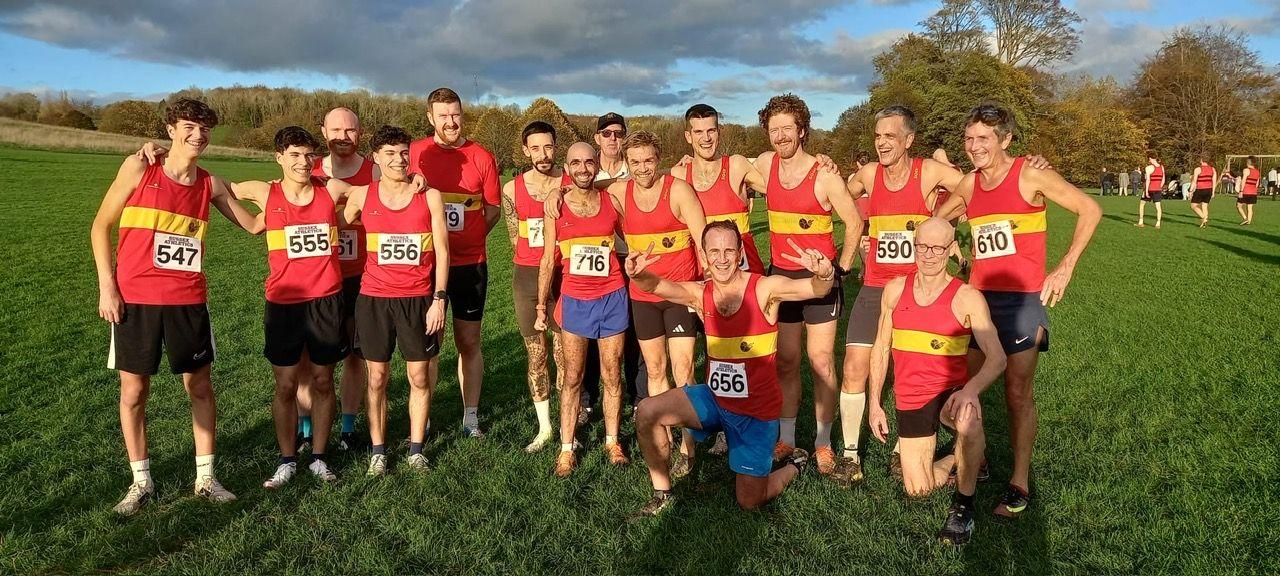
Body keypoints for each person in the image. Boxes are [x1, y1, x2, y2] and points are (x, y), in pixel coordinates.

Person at [90, 98, 261, 515]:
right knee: (134, 391)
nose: (197, 135)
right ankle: (141, 482)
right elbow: (100, 225)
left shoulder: (210, 185)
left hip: (188, 302)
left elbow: (255, 225)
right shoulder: (139, 168)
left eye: (204, 129)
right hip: (136, 301)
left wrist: (287, 195)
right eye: (189, 126)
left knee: (199, 387)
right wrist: (106, 286)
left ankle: (206, 478)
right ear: (170, 129)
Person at [936, 103, 1101, 517]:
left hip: (1023, 302)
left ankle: (1020, 481)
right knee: (966, 386)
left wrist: (1064, 267)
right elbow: (938, 219)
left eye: (984, 139)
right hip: (979, 300)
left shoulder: (1031, 173)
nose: (974, 147)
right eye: (969, 139)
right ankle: (980, 457)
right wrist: (955, 251)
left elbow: (1090, 209)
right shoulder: (970, 185)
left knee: (1016, 394)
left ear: (1006, 140)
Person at [628, 221, 832, 516]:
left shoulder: (764, 289)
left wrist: (824, 274)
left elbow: (812, 288)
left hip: (755, 413)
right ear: (704, 257)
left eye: (728, 251)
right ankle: (662, 493)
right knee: (647, 411)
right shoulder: (701, 293)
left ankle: (793, 467)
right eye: (714, 252)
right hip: (715, 400)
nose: (721, 259)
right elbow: (658, 286)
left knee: (749, 501)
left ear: (739, 254)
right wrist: (637, 274)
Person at [840, 105, 968, 485]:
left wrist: (945, 225)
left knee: (912, 372)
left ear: (909, 140)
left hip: (918, 292)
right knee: (853, 367)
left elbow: (972, 184)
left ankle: (903, 447)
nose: (881, 143)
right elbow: (840, 196)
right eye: (877, 136)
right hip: (876, 287)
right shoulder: (868, 175)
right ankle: (850, 455)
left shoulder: (927, 171)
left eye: (890, 136)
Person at [867, 217, 1006, 545]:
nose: (928, 255)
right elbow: (881, 347)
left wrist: (971, 389)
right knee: (918, 490)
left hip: (950, 392)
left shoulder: (967, 297)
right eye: (922, 246)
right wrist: (874, 402)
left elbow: (997, 357)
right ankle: (965, 459)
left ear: (951, 249)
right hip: (910, 396)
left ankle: (963, 506)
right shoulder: (895, 290)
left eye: (938, 248)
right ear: (913, 246)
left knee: (969, 424)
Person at [226, 126, 352, 488]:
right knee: (284, 385)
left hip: (326, 299)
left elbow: (376, 189)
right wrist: (155, 158)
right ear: (279, 157)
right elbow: (212, 185)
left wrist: (415, 177)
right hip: (283, 303)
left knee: (324, 380)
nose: (303, 161)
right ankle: (287, 459)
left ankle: (319, 457)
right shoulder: (265, 192)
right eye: (294, 155)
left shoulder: (330, 189)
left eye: (308, 154)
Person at [756, 94, 863, 467]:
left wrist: (842, 269)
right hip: (781, 281)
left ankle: (822, 440)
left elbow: (854, 221)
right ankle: (786, 439)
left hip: (819, 280)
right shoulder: (766, 165)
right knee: (785, 361)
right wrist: (688, 160)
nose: (781, 135)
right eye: (774, 129)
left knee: (820, 361)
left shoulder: (825, 174)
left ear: (802, 131)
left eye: (788, 128)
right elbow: (727, 168)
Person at [345, 125, 450, 475]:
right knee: (376, 377)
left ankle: (416, 448)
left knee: (419, 377)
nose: (399, 159)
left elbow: (443, 252)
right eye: (390, 153)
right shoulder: (362, 195)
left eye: (404, 152)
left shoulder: (429, 196)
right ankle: (378, 450)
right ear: (375, 157)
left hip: (418, 299)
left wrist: (439, 299)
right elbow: (329, 193)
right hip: (374, 299)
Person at [409, 87, 501, 438]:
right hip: (426, 265)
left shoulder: (481, 156)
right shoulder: (416, 153)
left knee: (469, 341)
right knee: (428, 343)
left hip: (470, 264)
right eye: (443, 115)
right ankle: (425, 416)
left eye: (456, 114)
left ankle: (470, 416)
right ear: (430, 118)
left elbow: (491, 208)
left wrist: (472, 236)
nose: (451, 122)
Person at [535, 142, 631, 477]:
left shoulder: (611, 200)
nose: (583, 169)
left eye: (589, 162)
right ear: (567, 166)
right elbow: (548, 259)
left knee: (612, 374)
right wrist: (541, 304)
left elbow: (631, 239)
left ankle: (612, 440)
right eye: (575, 163)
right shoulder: (556, 208)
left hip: (613, 296)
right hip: (575, 300)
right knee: (573, 377)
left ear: (597, 166)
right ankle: (566, 447)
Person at [501, 121, 572, 452]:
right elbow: (515, 238)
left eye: (548, 147)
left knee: (563, 352)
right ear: (526, 150)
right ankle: (544, 428)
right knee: (536, 353)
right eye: (536, 148)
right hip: (528, 277)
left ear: (555, 147)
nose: (543, 154)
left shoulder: (571, 182)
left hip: (565, 273)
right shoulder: (512, 190)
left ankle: (567, 422)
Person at [310, 107, 377, 452]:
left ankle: (347, 429)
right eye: (336, 130)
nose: (343, 137)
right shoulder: (306, 168)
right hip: (319, 277)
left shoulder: (375, 171)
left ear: (360, 133)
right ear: (323, 131)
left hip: (363, 277)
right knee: (313, 359)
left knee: (356, 356)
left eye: (350, 131)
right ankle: (308, 431)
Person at [670, 103, 766, 274]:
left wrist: (817, 162)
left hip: (746, 274)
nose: (706, 138)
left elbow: (783, 186)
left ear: (719, 132)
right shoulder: (679, 175)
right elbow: (641, 176)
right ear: (688, 136)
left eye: (711, 131)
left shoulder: (736, 166)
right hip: (704, 275)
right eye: (698, 132)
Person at [1137, 156, 1164, 228]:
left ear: (1153, 159)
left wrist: (1145, 191)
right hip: (1158, 189)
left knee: (1142, 204)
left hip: (1150, 189)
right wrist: (1160, 186)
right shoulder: (1161, 167)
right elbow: (1163, 178)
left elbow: (1148, 180)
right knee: (1158, 206)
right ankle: (1158, 224)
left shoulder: (1148, 168)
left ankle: (1141, 221)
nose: (1149, 160)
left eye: (1150, 159)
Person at [1189, 159, 1217, 228]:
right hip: (1209, 190)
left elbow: (1194, 181)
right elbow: (1214, 181)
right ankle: (1204, 223)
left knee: (1193, 206)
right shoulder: (1212, 169)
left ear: (1201, 160)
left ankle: (1204, 218)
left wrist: (1190, 191)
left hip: (1200, 189)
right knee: (1204, 206)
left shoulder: (1198, 169)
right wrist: (1213, 192)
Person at [1236, 156, 1260, 225]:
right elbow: (1257, 183)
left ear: (1248, 162)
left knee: (1238, 205)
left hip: (1246, 191)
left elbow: (1243, 181)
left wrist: (1241, 191)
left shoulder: (1246, 170)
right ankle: (1248, 221)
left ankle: (1245, 218)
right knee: (1249, 207)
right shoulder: (1257, 172)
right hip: (1253, 192)